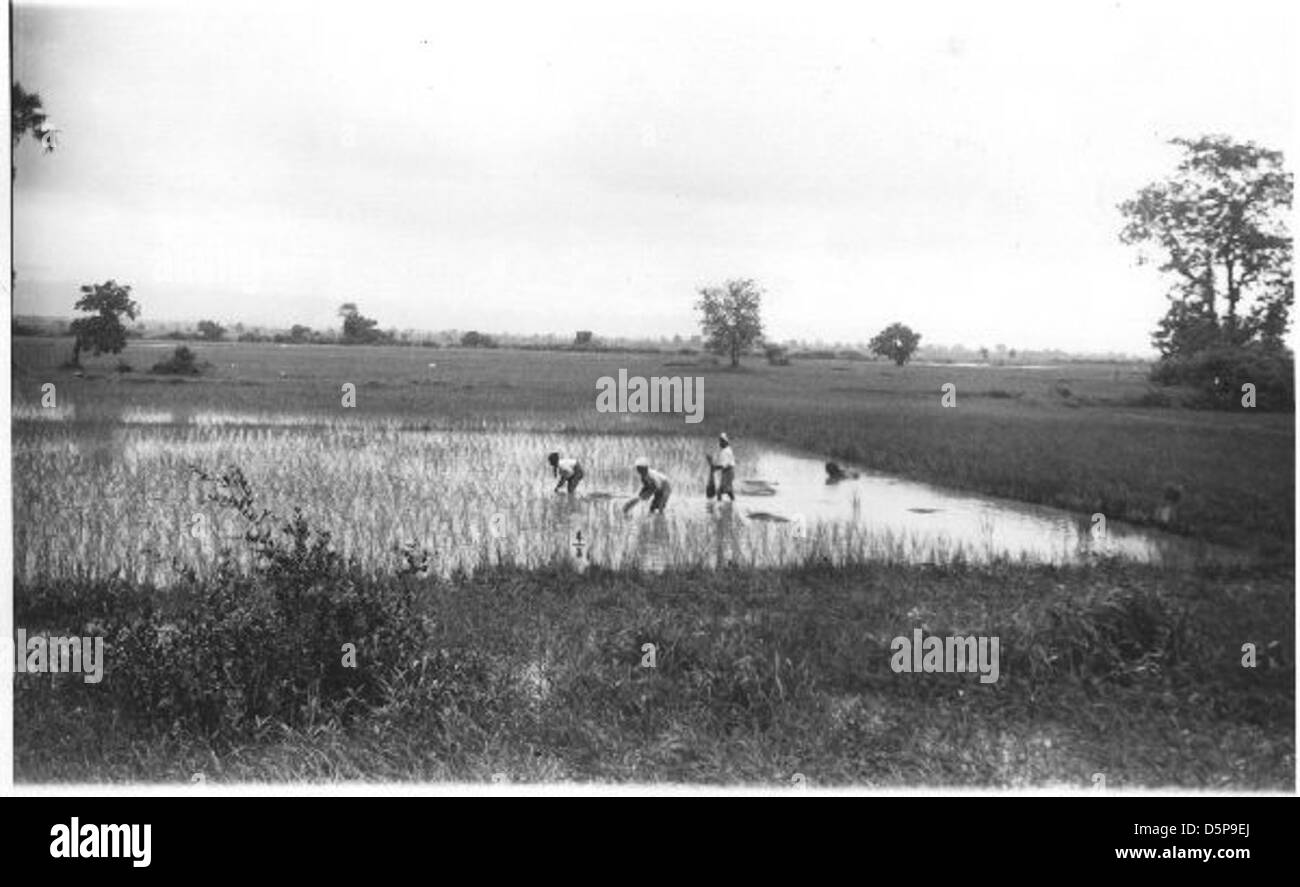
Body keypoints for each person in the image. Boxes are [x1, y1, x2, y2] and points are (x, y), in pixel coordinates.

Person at [710, 432, 736, 502]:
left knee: (721, 490)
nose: (720, 443)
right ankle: (733, 502)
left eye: (721, 442)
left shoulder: (725, 452)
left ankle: (720, 504)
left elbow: (722, 466)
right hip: (729, 472)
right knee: (728, 490)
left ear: (725, 442)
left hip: (728, 472)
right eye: (720, 441)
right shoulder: (727, 449)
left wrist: (714, 468)